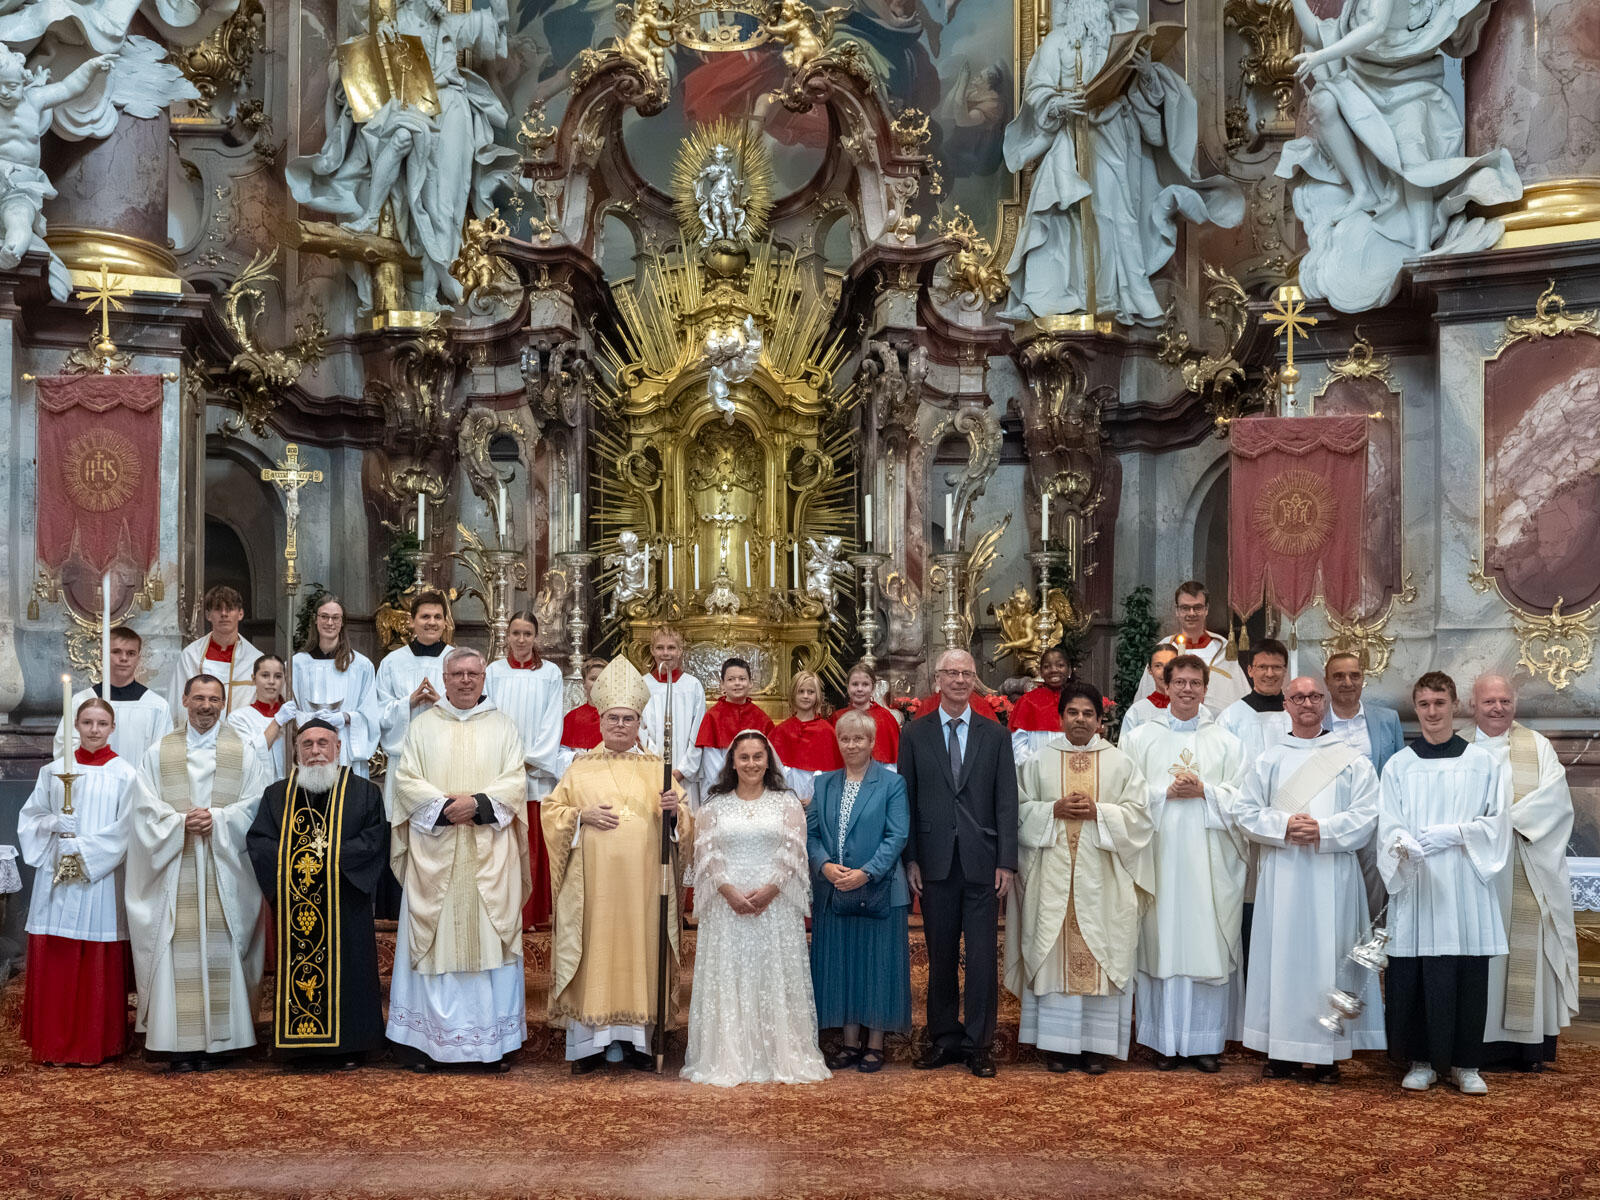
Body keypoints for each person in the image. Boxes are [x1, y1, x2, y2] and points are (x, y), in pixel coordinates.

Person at [544, 657, 691, 1074]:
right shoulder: (579, 768)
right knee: (595, 954)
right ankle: (588, 1047)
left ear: (640, 723)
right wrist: (580, 817)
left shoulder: (658, 769)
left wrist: (673, 814)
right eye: (613, 718)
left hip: (644, 889)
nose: (621, 725)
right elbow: (552, 813)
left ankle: (638, 1044)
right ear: (601, 720)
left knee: (642, 954)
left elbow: (684, 823)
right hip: (594, 890)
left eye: (628, 718)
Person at [387, 648, 530, 1072]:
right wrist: (445, 808)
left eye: (473, 673)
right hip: (436, 853)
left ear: (484, 678)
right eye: (457, 674)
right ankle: (428, 1044)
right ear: (444, 678)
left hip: (489, 853)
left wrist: (479, 804)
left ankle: (492, 1046)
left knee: (489, 937)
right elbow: (406, 779)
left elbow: (515, 780)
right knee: (434, 939)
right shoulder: (423, 726)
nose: (466, 680)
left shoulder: (503, 726)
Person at [1235, 676, 1383, 1083]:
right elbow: (1245, 812)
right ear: (1286, 704)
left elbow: (1368, 814)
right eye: (1298, 697)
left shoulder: (1350, 759)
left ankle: (1327, 1054)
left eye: (1314, 696)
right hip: (1283, 873)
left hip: (1332, 873)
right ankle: (1280, 1051)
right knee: (1281, 959)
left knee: (1330, 959)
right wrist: (1284, 825)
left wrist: (1323, 829)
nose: (1306, 703)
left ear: (1325, 703)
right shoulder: (1269, 759)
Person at [1006, 680, 1154, 1074]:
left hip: (1102, 881)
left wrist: (1100, 813)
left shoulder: (1121, 763)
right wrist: (1051, 810)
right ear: (1060, 718)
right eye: (1072, 712)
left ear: (1100, 721)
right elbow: (1016, 811)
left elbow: (1141, 818)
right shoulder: (1038, 762)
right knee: (1053, 949)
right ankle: (1059, 1046)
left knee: (1102, 947)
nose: (1080, 719)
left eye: (1088, 713)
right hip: (1052, 879)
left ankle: (1096, 1046)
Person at [126, 675, 270, 1071]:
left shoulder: (243, 752)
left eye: (214, 699)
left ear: (223, 704)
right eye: (199, 698)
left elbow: (257, 805)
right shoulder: (159, 753)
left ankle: (224, 1044)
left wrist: (219, 819)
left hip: (225, 870)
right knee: (175, 945)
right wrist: (178, 823)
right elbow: (143, 810)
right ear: (185, 699)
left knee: (224, 945)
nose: (206, 706)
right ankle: (178, 1045)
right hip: (175, 868)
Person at [1378, 671, 1510, 1096]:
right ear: (1415, 709)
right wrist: (1403, 844)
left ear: (1454, 705)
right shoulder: (1399, 765)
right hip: (1420, 883)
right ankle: (1421, 1062)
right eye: (1424, 704)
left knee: (1467, 972)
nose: (1432, 712)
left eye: (1439, 703)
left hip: (1465, 882)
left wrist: (1457, 834)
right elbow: (1388, 824)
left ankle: (1466, 1064)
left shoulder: (1482, 763)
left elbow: (1499, 823)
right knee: (1416, 972)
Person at [1120, 653, 1247, 1071]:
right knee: (1162, 946)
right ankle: (1163, 1043)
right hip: (1158, 858)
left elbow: (1244, 800)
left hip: (1209, 864)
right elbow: (1124, 795)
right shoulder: (1140, 738)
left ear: (1206, 689)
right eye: (1180, 682)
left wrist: (1206, 791)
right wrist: (1165, 793)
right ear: (1166, 686)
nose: (1187, 689)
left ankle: (1204, 1043)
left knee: (1204, 945)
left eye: (1195, 683)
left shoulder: (1226, 742)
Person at [683, 731, 830, 1086]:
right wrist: (728, 891)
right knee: (730, 975)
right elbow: (706, 853)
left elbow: (794, 851)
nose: (751, 763)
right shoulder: (713, 805)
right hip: (726, 907)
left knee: (772, 975)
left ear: (769, 761)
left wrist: (770, 890)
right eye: (744, 757)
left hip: (774, 907)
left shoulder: (787, 803)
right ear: (732, 762)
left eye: (757, 757)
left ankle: (779, 1053)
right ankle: (727, 1054)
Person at [899, 647, 1018, 1077]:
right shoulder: (914, 733)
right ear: (937, 679)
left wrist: (1007, 861)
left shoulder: (995, 735)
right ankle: (944, 1038)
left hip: (983, 861)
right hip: (934, 862)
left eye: (967, 673)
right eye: (951, 673)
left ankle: (980, 1044)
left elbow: (1006, 801)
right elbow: (907, 798)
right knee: (941, 954)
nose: (960, 680)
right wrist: (911, 858)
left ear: (974, 680)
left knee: (983, 957)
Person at [246, 719, 389, 1068]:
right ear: (296, 751)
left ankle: (351, 1047)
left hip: (345, 900)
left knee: (349, 970)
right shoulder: (277, 794)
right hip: (295, 904)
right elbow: (261, 842)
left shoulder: (364, 792)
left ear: (338, 748)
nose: (315, 751)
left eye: (323, 743)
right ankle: (297, 1048)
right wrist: (299, 863)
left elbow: (374, 840)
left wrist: (329, 859)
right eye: (307, 744)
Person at [18, 699, 138, 1065]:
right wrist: (53, 824)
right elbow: (31, 818)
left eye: (102, 723)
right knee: (57, 956)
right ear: (76, 726)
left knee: (95, 956)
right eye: (87, 722)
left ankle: (95, 1044)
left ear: (112, 728)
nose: (94, 730)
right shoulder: (53, 771)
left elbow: (127, 829)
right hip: (55, 879)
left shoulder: (125, 774)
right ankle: (53, 1043)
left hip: (100, 879)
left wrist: (83, 850)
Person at [1470, 674, 1580, 1071]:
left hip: (1524, 863)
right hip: (1475, 871)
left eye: (1505, 701)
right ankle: (1474, 1044)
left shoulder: (1537, 746)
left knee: (1524, 953)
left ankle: (1527, 1048)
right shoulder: (1459, 749)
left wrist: (1499, 825)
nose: (1498, 708)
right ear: (1472, 705)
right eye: (1489, 701)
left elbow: (1555, 801)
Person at [807, 709, 911, 1074]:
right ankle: (850, 1042)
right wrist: (824, 865)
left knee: (877, 964)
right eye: (845, 739)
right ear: (837, 742)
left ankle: (875, 1043)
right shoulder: (824, 784)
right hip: (834, 888)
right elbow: (811, 833)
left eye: (859, 739)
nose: (852, 745)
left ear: (872, 742)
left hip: (879, 888)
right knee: (844, 964)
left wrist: (866, 873)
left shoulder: (891, 783)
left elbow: (897, 835)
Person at [484, 612, 566, 931]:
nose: (521, 639)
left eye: (527, 633)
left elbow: (552, 721)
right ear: (507, 635)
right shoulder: (494, 672)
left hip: (535, 773)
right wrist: (504, 760)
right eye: (515, 633)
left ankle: (532, 914)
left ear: (536, 636)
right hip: (501, 769)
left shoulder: (550, 673)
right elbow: (488, 716)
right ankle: (504, 912)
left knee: (532, 843)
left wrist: (532, 759)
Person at [1322, 650, 1405, 920]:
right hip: (1330, 818)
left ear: (1362, 679)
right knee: (1333, 889)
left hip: (1375, 821)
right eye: (1339, 676)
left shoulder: (1388, 719)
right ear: (1327, 681)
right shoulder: (1315, 720)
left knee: (1375, 888)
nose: (1347, 682)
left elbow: (1398, 773)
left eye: (1354, 675)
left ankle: (1369, 941)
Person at [373, 591, 454, 816]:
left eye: (437, 617)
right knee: (402, 824)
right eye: (425, 616)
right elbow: (378, 712)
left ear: (445, 622)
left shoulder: (457, 660)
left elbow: (473, 711)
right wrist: (408, 702)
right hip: (403, 760)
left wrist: (442, 703)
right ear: (412, 621)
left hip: (445, 758)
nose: (432, 622)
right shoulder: (392, 662)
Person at [52, 625, 174, 763]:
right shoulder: (81, 701)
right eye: (116, 652)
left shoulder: (157, 706)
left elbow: (163, 756)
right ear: (102, 654)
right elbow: (65, 750)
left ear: (138, 658)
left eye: (131, 653)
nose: (124, 658)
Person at [291, 594, 380, 778]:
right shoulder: (297, 664)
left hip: (345, 745)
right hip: (310, 746)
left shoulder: (361, 666)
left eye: (335, 617)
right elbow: (288, 708)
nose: (329, 622)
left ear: (342, 622)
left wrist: (345, 717)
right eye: (324, 616)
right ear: (316, 620)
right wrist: (307, 718)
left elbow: (370, 712)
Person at [1132, 582, 1243, 714]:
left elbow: (1237, 694)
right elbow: (1148, 698)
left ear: (1206, 609)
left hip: (1216, 723)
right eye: (1185, 608)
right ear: (1177, 610)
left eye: (1197, 607)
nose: (1191, 613)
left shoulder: (1224, 648)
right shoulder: (1164, 650)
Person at [164, 585, 264, 717]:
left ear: (240, 614)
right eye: (217, 609)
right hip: (198, 728)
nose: (224, 614)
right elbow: (177, 702)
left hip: (239, 729)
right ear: (208, 615)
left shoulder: (256, 660)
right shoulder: (191, 655)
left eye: (230, 609)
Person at [694, 657, 779, 802]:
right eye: (731, 679)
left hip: (756, 790)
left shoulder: (761, 718)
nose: (737, 683)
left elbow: (768, 760)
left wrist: (750, 785)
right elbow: (711, 764)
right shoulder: (713, 717)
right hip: (720, 790)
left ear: (750, 683)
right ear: (722, 684)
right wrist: (733, 788)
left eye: (742, 679)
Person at [640, 625, 706, 802]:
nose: (665, 653)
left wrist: (683, 770)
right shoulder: (643, 685)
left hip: (685, 776)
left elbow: (698, 732)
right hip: (652, 771)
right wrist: (658, 766)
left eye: (671, 647)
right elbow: (640, 730)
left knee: (685, 814)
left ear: (680, 650)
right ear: (652, 650)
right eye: (660, 647)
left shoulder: (692, 686)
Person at [771, 669, 843, 801]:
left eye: (811, 692)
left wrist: (815, 800)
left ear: (817, 696)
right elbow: (772, 774)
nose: (805, 696)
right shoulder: (781, 731)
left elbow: (834, 776)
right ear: (793, 694)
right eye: (801, 691)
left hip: (818, 801)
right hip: (785, 800)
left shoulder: (827, 731)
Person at [1217, 640, 1291, 762]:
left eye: (1276, 667)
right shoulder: (1230, 717)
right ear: (1250, 670)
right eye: (1262, 667)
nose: (1270, 674)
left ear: (1285, 671)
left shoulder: (1297, 714)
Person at [228, 655, 294, 778]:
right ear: (253, 679)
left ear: (284, 680)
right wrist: (277, 722)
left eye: (278, 676)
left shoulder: (292, 717)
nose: (271, 681)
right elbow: (248, 756)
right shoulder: (238, 718)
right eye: (265, 675)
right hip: (258, 787)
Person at [1008, 645, 1073, 765]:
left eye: (1060, 665)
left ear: (1069, 670)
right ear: (1041, 672)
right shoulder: (1027, 701)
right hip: (1035, 766)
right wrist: (1035, 764)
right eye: (1047, 667)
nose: (1054, 670)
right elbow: (1017, 743)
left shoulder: (1077, 700)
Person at [834, 661, 902, 768]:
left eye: (865, 684)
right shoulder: (837, 717)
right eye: (855, 684)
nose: (859, 689)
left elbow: (893, 761)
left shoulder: (885, 718)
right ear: (847, 687)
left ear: (873, 688)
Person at [1117, 644, 1177, 740]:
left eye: (1170, 666)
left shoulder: (1192, 709)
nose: (1165, 672)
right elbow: (1126, 746)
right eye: (1158, 666)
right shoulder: (1137, 712)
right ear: (1149, 670)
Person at [559, 655, 609, 764]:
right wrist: (574, 757)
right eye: (593, 679)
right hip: (580, 769)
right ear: (584, 683)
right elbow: (560, 753)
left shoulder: (618, 717)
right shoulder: (572, 717)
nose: (598, 683)